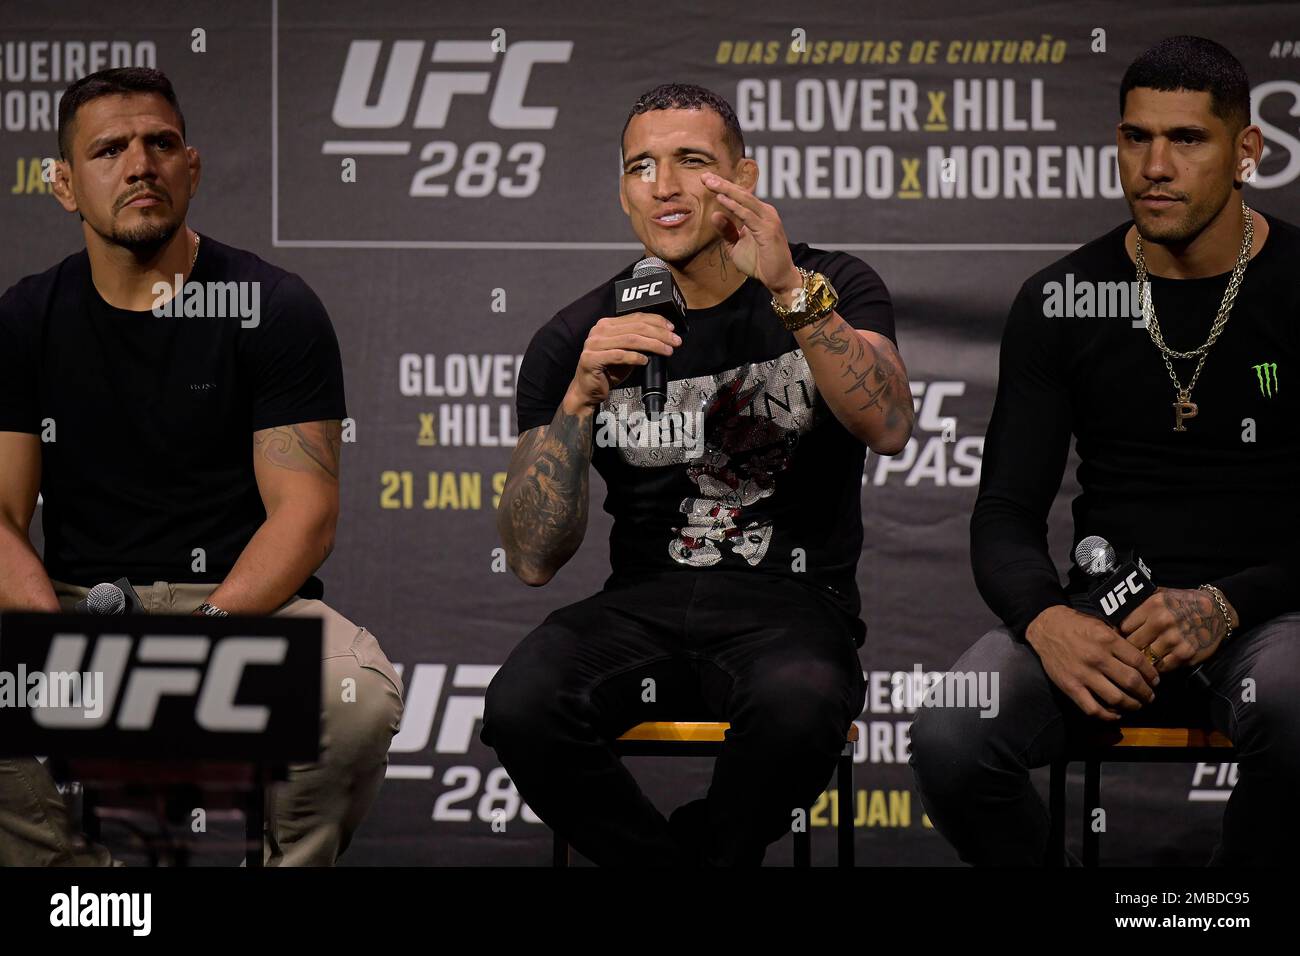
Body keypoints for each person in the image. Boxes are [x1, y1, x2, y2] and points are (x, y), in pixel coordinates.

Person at [481, 83, 915, 866]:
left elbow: (887, 424)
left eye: (691, 161)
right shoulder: (580, 334)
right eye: (641, 166)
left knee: (801, 704)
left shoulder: (828, 284)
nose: (664, 185)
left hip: (790, 601)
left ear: (743, 179)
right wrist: (579, 403)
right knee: (519, 705)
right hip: (640, 606)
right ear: (623, 191)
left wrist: (791, 292)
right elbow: (533, 558)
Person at [909, 36, 1300, 866]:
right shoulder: (1060, 299)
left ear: (1246, 153)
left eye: (1186, 140)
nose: (1155, 166)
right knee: (953, 733)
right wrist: (1046, 619)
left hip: (1273, 611)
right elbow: (1006, 515)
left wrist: (1226, 603)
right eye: (1135, 138)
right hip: (1111, 616)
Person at [0, 67, 403, 866]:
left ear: (192, 166)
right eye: (109, 149)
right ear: (63, 185)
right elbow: (3, 520)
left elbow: (305, 516)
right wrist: (53, 642)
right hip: (80, 606)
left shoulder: (273, 306)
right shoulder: (24, 320)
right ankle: (89, 895)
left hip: (246, 608)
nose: (140, 163)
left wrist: (207, 638)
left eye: (161, 143)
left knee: (354, 696)